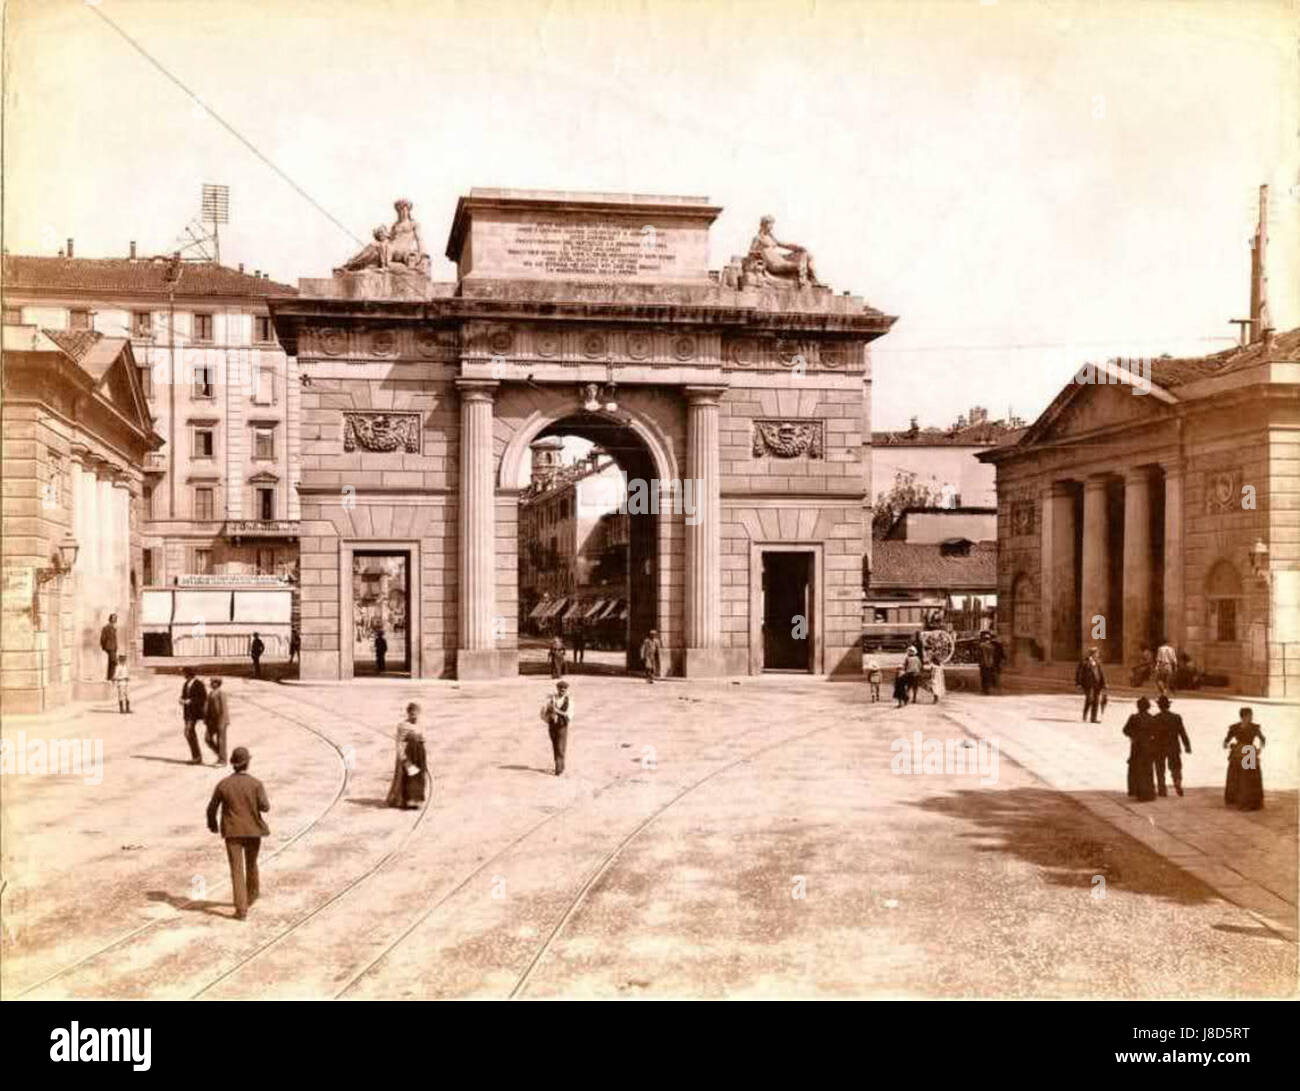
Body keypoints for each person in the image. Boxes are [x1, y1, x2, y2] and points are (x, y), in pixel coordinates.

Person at [206, 746, 270, 921]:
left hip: (232, 832)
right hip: (253, 831)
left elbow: (211, 808)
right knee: (251, 864)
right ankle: (252, 895)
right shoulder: (256, 784)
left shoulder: (223, 784)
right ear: (247, 763)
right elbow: (265, 807)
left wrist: (212, 824)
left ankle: (241, 910)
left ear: (233, 764)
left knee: (236, 869)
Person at [386, 702, 428, 810]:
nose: (414, 716)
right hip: (408, 754)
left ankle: (416, 801)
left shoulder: (420, 724)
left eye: (416, 714)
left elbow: (423, 738)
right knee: (407, 778)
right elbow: (399, 742)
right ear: (408, 713)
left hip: (419, 755)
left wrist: (421, 739)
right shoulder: (402, 725)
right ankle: (405, 801)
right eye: (412, 714)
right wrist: (403, 758)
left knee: (418, 777)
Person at [1223, 708, 1265, 811]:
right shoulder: (1235, 727)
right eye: (1249, 715)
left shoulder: (1254, 728)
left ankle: (1249, 802)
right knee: (1237, 777)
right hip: (1238, 753)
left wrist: (1260, 749)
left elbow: (1262, 739)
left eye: (1251, 715)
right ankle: (1235, 799)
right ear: (1244, 716)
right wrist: (1226, 744)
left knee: (1247, 778)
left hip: (1249, 752)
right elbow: (1227, 739)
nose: (1251, 717)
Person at [1151, 695, 1192, 797]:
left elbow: (1151, 734)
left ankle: (1162, 789)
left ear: (1159, 706)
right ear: (1168, 706)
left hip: (1159, 747)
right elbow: (1182, 732)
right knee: (1176, 767)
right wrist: (1187, 745)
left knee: (1160, 768)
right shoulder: (1176, 718)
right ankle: (1177, 782)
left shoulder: (1155, 718)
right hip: (1173, 746)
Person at [1122, 697, 1157, 802]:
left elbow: (1125, 730)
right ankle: (1148, 793)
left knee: (1136, 768)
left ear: (1138, 706)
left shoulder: (1134, 717)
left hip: (1137, 746)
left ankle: (1138, 791)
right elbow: (1156, 733)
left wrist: (1133, 736)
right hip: (1148, 746)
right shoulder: (1152, 718)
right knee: (1148, 769)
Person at [542, 679, 573, 775]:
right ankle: (560, 765)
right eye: (560, 689)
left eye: (564, 690)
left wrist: (557, 711)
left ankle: (558, 769)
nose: (562, 691)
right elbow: (544, 710)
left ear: (566, 690)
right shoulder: (552, 699)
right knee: (555, 745)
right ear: (557, 689)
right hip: (552, 725)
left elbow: (568, 714)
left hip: (562, 725)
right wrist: (549, 714)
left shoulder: (569, 701)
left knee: (560, 746)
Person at [179, 667, 207, 765]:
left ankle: (197, 757)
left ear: (189, 674)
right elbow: (183, 695)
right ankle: (196, 756)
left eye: (184, 673)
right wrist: (182, 700)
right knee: (189, 733)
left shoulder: (198, 684)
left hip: (194, 713)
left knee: (188, 732)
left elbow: (203, 698)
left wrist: (191, 701)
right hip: (187, 712)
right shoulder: (186, 684)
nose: (183, 675)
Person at [1075, 647, 1107, 724]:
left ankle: (1093, 718)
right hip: (1088, 684)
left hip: (1097, 684)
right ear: (1092, 654)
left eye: (1098, 653)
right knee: (1089, 699)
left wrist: (1104, 684)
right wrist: (1078, 683)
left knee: (1096, 701)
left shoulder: (1098, 662)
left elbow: (1101, 673)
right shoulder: (1084, 662)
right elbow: (1079, 673)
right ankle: (1085, 714)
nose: (1098, 655)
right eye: (1096, 653)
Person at [204, 677, 230, 766]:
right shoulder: (211, 693)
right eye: (211, 682)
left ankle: (223, 760)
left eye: (213, 682)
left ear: (217, 683)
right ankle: (221, 755)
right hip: (211, 721)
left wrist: (222, 722)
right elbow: (207, 708)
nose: (211, 684)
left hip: (220, 720)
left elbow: (224, 709)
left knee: (221, 740)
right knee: (207, 738)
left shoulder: (221, 693)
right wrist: (206, 719)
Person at [99, 613, 119, 680]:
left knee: (111, 662)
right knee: (114, 661)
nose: (115, 620)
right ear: (110, 619)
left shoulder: (114, 627)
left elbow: (114, 639)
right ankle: (111, 677)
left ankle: (109, 677)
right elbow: (102, 638)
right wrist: (104, 647)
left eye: (115, 618)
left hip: (113, 647)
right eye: (113, 618)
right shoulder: (106, 627)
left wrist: (116, 646)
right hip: (109, 647)